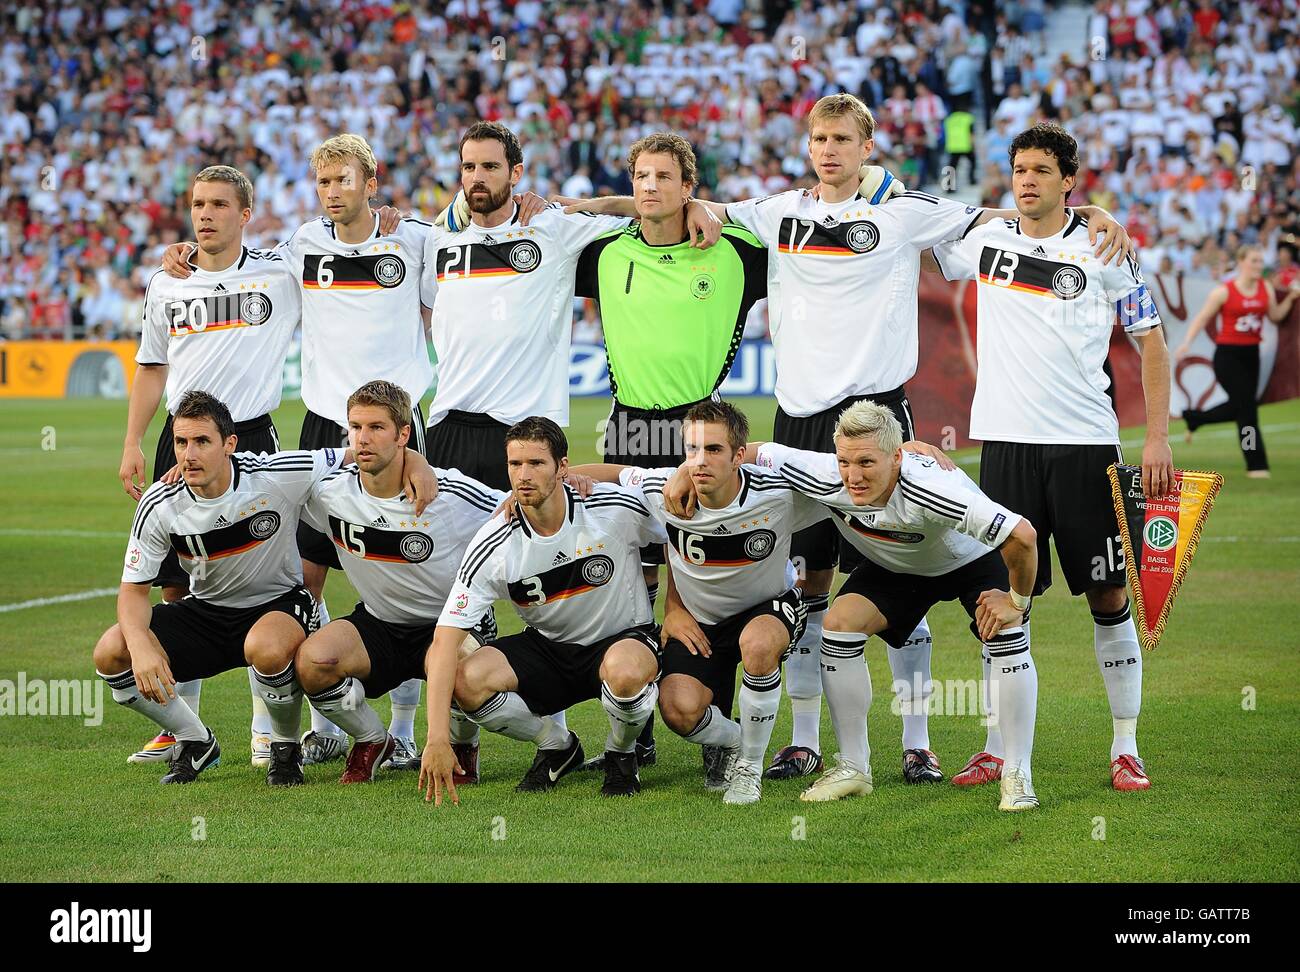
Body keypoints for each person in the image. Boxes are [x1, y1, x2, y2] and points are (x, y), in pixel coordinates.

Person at [690, 94, 1135, 785]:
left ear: (868, 147)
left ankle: (918, 740)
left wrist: (1092, 216)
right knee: (810, 582)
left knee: (905, 563)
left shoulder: (907, 212)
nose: (829, 149)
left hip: (879, 415)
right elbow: (678, 208)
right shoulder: (775, 211)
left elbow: (1005, 217)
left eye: (842, 138)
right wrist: (695, 205)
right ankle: (805, 739)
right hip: (799, 416)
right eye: (818, 138)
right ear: (806, 146)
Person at [161, 134, 434, 768]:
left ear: (372, 180)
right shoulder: (301, 248)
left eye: (345, 180)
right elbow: (233, 258)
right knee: (303, 578)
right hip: (322, 428)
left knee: (404, 578)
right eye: (324, 182)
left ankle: (402, 729)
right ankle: (325, 719)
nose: (333, 192)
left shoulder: (413, 239)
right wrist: (188, 255)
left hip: (394, 428)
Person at [928, 122, 1174, 791]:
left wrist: (1155, 436)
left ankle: (1125, 746)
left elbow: (1151, 341)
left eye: (1041, 169)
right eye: (1019, 169)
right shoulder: (984, 238)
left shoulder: (1105, 248)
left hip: (1085, 445)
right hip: (1004, 443)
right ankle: (994, 745)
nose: (1027, 180)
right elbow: (914, 230)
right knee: (1002, 600)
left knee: (1108, 591)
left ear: (1069, 179)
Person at [667, 402, 1041, 810]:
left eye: (867, 462)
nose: (854, 476)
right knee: (839, 623)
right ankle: (853, 766)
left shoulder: (932, 488)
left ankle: (1017, 773)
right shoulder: (824, 474)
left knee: (1006, 631)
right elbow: (752, 451)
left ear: (896, 457)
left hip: (966, 560)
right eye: (845, 461)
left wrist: (1016, 602)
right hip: (897, 564)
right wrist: (687, 471)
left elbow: (1022, 535)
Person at [93, 391, 431, 785]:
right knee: (112, 651)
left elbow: (365, 452)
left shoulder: (275, 474)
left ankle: (284, 749)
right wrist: (140, 646)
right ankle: (195, 739)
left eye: (202, 441)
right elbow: (133, 591)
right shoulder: (160, 501)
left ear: (229, 444)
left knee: (266, 647)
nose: (189, 454)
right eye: (181, 442)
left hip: (279, 605)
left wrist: (419, 463)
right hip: (207, 611)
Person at [563, 132, 767, 776]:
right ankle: (634, 726)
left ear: (690, 188)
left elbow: (801, 219)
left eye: (664, 178)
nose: (650, 187)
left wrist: (715, 212)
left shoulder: (734, 253)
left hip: (698, 428)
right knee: (633, 584)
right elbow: (554, 214)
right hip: (627, 427)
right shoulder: (603, 253)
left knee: (706, 580)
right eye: (640, 177)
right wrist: (623, 204)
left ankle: (721, 735)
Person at [119, 165, 300, 769]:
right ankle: (183, 726)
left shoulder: (279, 272)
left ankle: (264, 727)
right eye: (198, 203)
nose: (205, 214)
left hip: (251, 438)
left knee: (261, 580)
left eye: (219, 204)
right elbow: (151, 366)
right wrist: (133, 442)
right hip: (183, 438)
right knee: (176, 582)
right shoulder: (165, 282)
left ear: (245, 213)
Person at [566, 400, 828, 804]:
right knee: (678, 710)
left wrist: (912, 456)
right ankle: (732, 739)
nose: (698, 462)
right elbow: (611, 473)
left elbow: (849, 478)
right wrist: (562, 481)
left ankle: (750, 769)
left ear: (740, 455)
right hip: (700, 621)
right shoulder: (665, 490)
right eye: (692, 449)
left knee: (758, 644)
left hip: (768, 609)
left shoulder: (779, 494)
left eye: (713, 450)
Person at [419, 417, 667, 802]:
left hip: (623, 640)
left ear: (562, 468)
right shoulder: (494, 540)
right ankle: (557, 745)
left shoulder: (612, 507)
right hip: (550, 647)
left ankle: (622, 753)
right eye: (515, 465)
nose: (523, 475)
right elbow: (444, 642)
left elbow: (681, 530)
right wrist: (437, 737)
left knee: (626, 673)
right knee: (466, 680)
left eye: (536, 463)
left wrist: (680, 607)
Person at [294, 381, 503, 784]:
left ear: (403, 434)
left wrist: (579, 480)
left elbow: (518, 506)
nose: (362, 439)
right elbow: (259, 481)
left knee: (464, 674)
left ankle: (464, 746)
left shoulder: (450, 493)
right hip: (380, 623)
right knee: (312, 662)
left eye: (376, 428)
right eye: (355, 427)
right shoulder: (328, 493)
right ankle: (374, 740)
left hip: (450, 625)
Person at [1175, 245, 1299, 478]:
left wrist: (1291, 299)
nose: (1258, 266)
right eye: (1254, 261)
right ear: (1241, 262)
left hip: (1252, 356)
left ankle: (1195, 418)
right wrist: (1186, 343)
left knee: (1243, 407)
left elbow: (1275, 316)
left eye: (1261, 262)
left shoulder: (1266, 288)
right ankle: (1256, 464)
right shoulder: (1224, 291)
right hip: (1228, 356)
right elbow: (1201, 319)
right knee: (1248, 410)